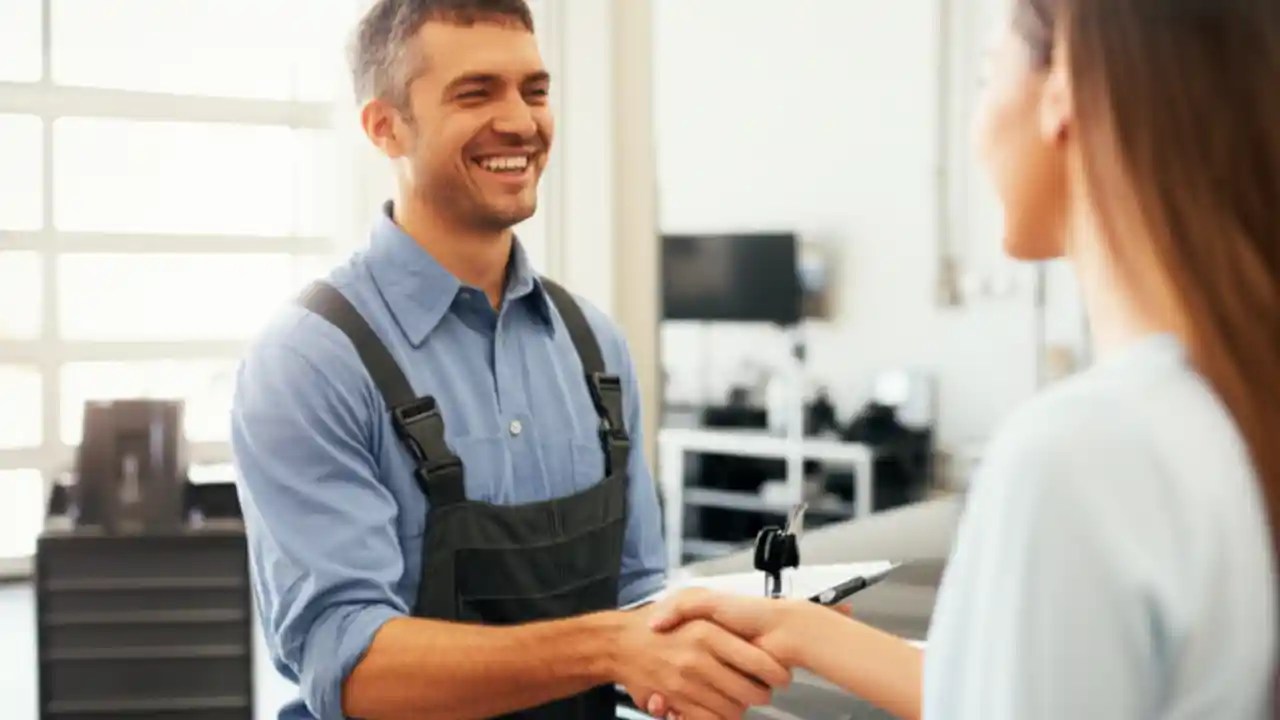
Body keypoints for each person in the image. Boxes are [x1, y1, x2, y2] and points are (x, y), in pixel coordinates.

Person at [647, 0, 1280, 718]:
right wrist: (800, 630)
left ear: (1062, 89)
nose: (977, 126)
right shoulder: (1218, 407)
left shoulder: (1082, 451)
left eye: (985, 76)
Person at [231, 1, 791, 719]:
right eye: (476, 92)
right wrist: (612, 647)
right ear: (384, 126)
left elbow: (638, 593)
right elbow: (350, 664)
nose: (522, 122)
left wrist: (716, 652)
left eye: (534, 90)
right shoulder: (310, 360)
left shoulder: (596, 347)